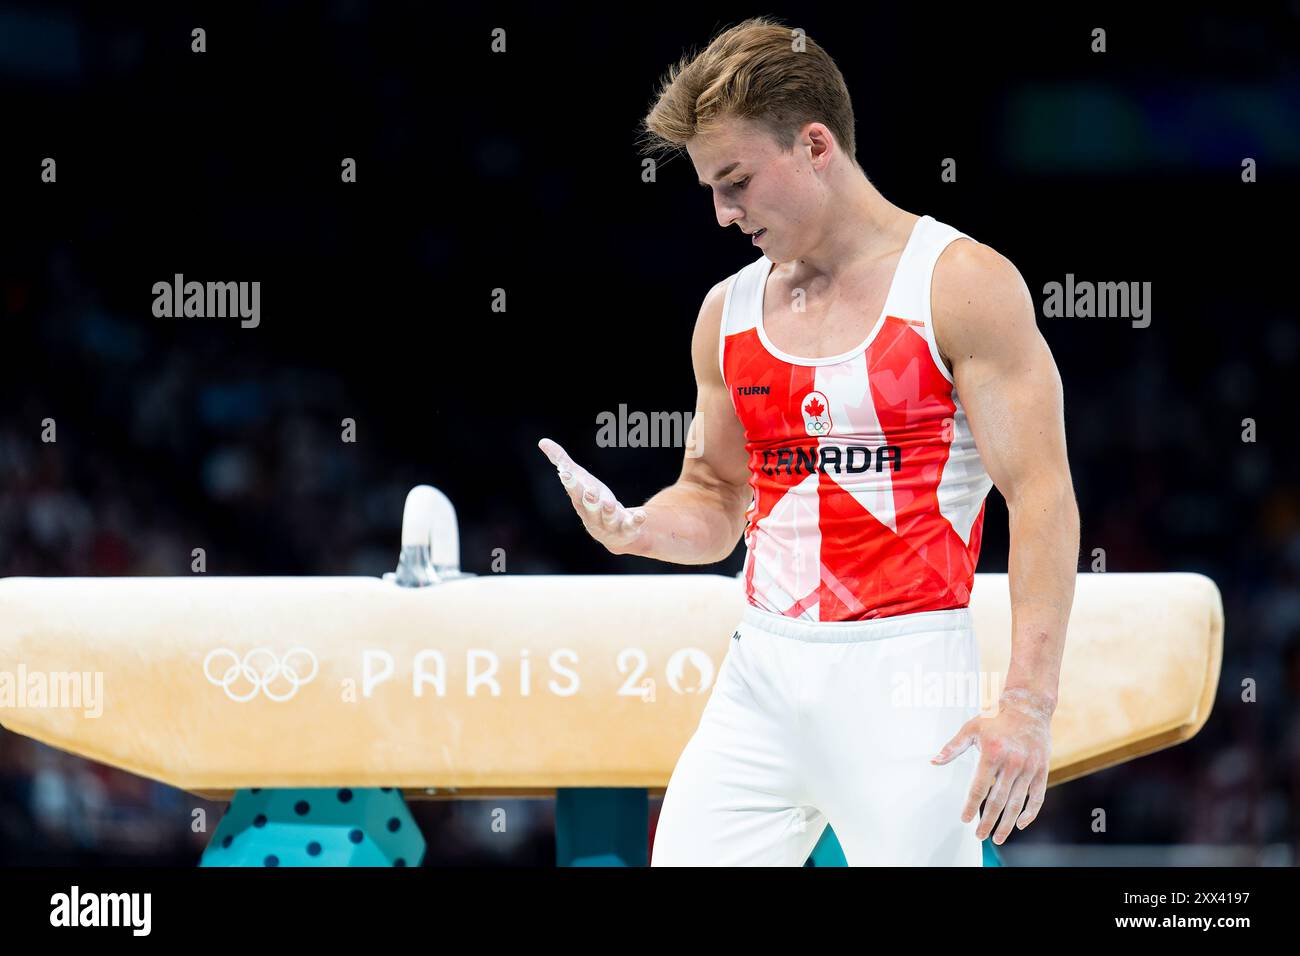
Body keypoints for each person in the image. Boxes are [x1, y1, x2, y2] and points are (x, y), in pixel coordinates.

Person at [538, 16, 1078, 865]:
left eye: (737, 181)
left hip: (908, 679)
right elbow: (715, 499)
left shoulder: (960, 285)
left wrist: (1028, 703)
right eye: (713, 189)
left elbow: (1041, 496)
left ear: (816, 145)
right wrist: (636, 527)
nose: (721, 214)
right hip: (762, 675)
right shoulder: (729, 312)